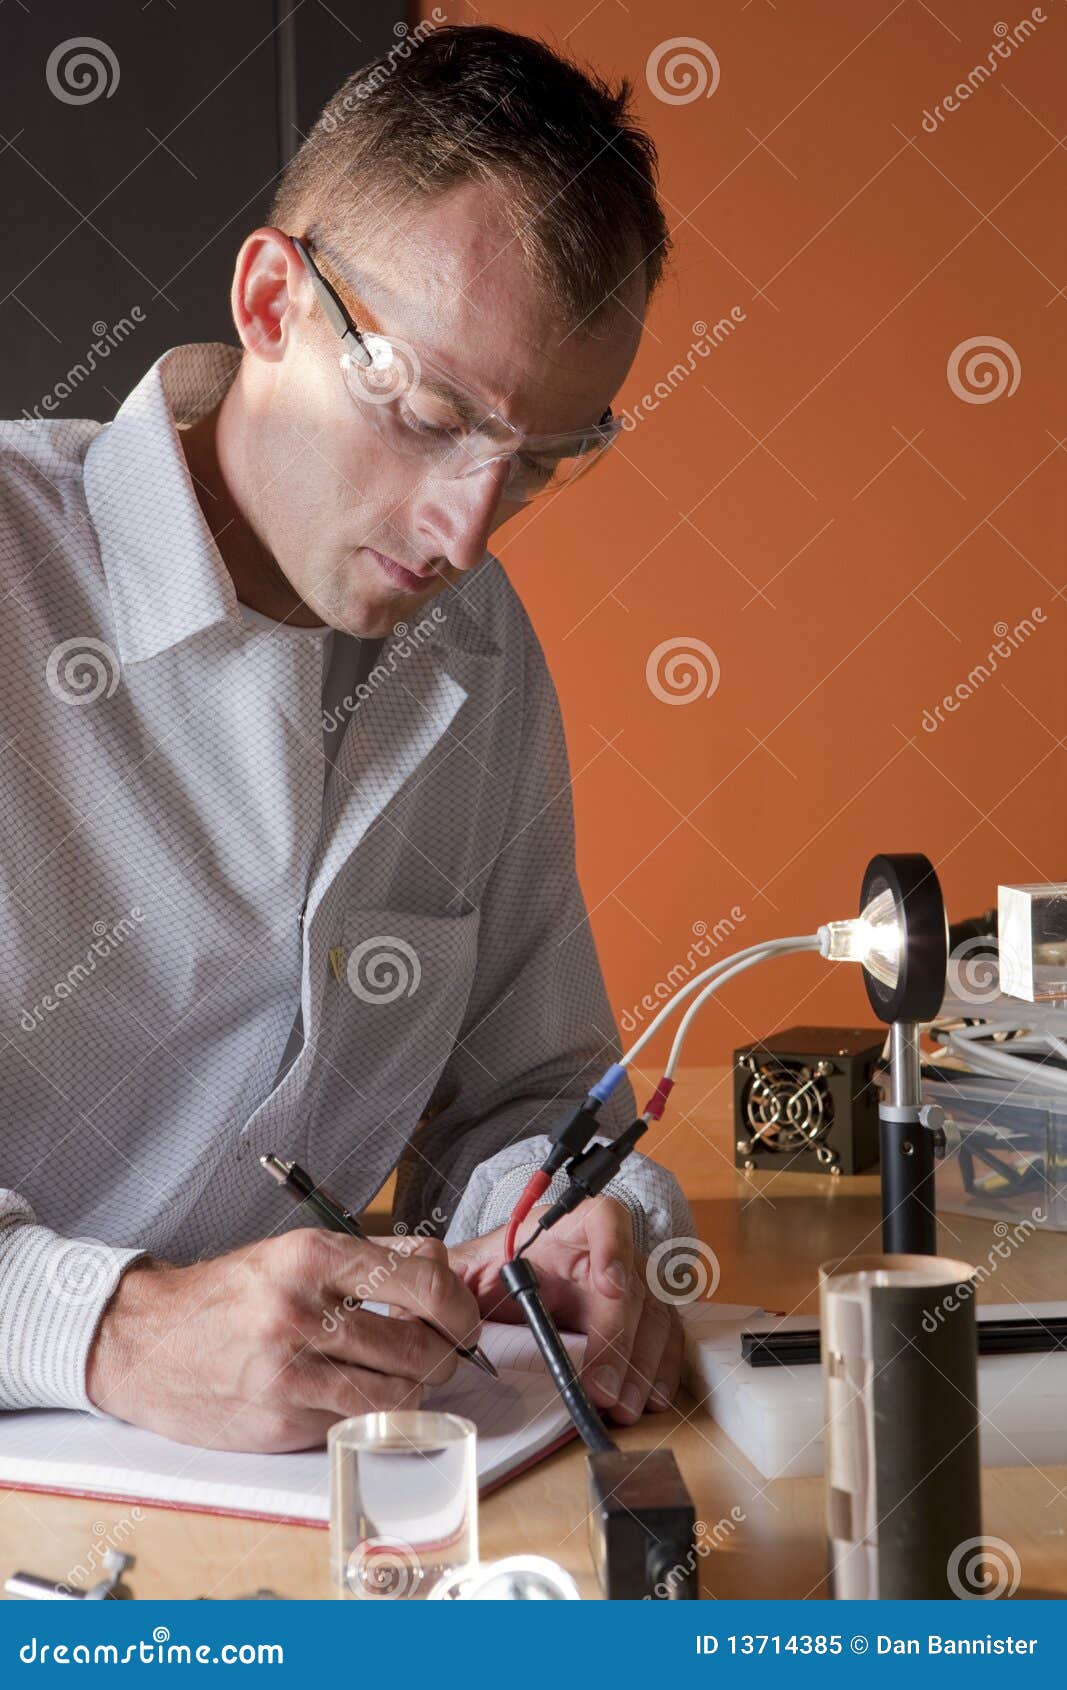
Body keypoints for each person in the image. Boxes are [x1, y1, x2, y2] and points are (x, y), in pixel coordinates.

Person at [0, 24, 692, 1453]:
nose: (465, 530)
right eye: (431, 415)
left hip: (264, 1515)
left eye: (539, 464)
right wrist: (115, 1326)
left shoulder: (479, 656)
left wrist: (569, 1217)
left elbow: (530, 1094)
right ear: (270, 300)